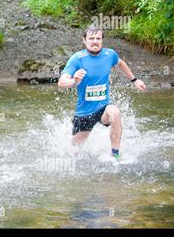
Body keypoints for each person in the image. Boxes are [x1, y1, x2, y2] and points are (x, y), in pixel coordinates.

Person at [58, 25, 146, 160]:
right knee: (72, 153)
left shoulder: (109, 54)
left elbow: (120, 63)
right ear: (84, 40)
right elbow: (61, 83)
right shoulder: (77, 59)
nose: (95, 41)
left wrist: (134, 80)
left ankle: (115, 154)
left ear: (102, 40)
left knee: (115, 112)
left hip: (103, 108)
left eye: (98, 38)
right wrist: (74, 81)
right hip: (84, 113)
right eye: (91, 38)